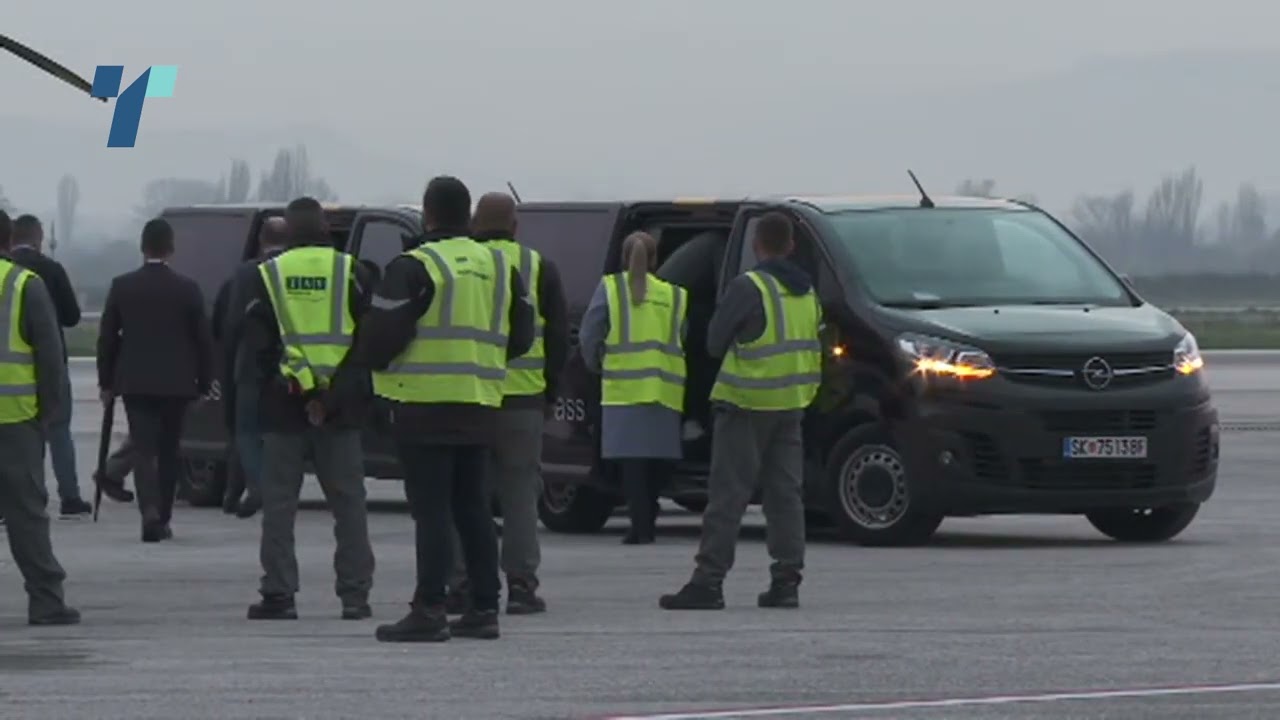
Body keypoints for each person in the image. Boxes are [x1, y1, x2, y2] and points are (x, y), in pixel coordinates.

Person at [352, 176, 534, 643]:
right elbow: (521, 337)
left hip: (423, 407)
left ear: (428, 216)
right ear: (466, 216)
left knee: (432, 511)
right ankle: (483, 608)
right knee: (472, 507)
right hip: (480, 403)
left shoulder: (414, 266)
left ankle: (429, 608)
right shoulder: (498, 268)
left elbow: (378, 338)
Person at [660, 212, 822, 610]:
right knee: (785, 496)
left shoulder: (749, 288)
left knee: (728, 496)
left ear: (756, 245)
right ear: (791, 246)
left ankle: (708, 582)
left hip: (746, 404)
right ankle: (786, 581)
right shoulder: (807, 293)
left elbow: (714, 343)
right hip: (790, 404)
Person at [241, 197, 377, 621]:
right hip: (341, 408)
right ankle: (355, 596)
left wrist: (297, 389)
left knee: (280, 505)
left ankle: (280, 594)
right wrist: (331, 395)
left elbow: (258, 349)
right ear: (325, 228)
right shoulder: (352, 271)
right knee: (349, 504)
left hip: (284, 405)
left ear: (289, 231)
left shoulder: (267, 275)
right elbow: (367, 343)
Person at [445, 192, 569, 616]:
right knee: (520, 495)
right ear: (516, 226)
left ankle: (462, 582)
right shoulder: (538, 267)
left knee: (467, 494)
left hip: (472, 397)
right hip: (523, 400)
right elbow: (556, 337)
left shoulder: (462, 263)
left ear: (474, 224)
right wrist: (550, 390)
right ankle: (520, 584)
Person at [97, 218, 214, 543]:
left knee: (144, 449)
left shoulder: (122, 286)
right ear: (171, 248)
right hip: (177, 383)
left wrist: (106, 382)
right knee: (169, 450)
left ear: (142, 247)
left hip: (135, 381)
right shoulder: (188, 288)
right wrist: (204, 383)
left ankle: (148, 510)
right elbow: (202, 341)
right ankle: (163, 515)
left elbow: (107, 338)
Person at [579, 231, 688, 545]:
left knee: (632, 464)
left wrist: (598, 365)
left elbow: (590, 335)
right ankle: (649, 518)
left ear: (624, 258)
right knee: (655, 460)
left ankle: (641, 525)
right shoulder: (675, 295)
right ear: (655, 260)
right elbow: (684, 334)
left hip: (623, 388)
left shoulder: (611, 289)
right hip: (665, 388)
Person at [0, 209, 80, 624]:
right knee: (26, 514)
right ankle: (46, 601)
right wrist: (51, 412)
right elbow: (49, 355)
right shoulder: (23, 285)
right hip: (15, 418)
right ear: (9, 238)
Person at [9, 214, 92, 518]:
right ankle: (69, 497)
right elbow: (71, 316)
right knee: (59, 432)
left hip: (9, 373)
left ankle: (19, 499)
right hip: (50, 363)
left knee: (16, 441)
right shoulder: (50, 270)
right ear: (38, 237)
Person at [213, 217, 289, 518]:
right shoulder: (293, 268)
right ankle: (234, 494)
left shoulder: (246, 273)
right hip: (288, 366)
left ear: (260, 239)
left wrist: (229, 358)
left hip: (250, 363)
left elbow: (232, 323)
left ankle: (258, 486)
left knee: (245, 430)